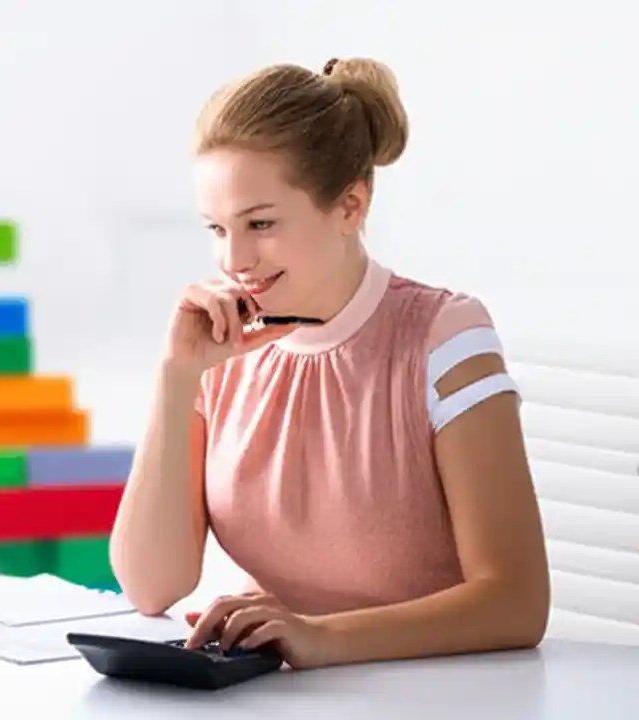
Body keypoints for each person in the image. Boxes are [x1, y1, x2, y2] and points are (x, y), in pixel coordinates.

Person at [108, 57, 550, 670]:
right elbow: (151, 586)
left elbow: (517, 603)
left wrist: (321, 638)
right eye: (216, 228)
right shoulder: (221, 352)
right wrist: (175, 376)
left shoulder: (445, 336)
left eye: (260, 223)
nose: (233, 258)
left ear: (350, 206)